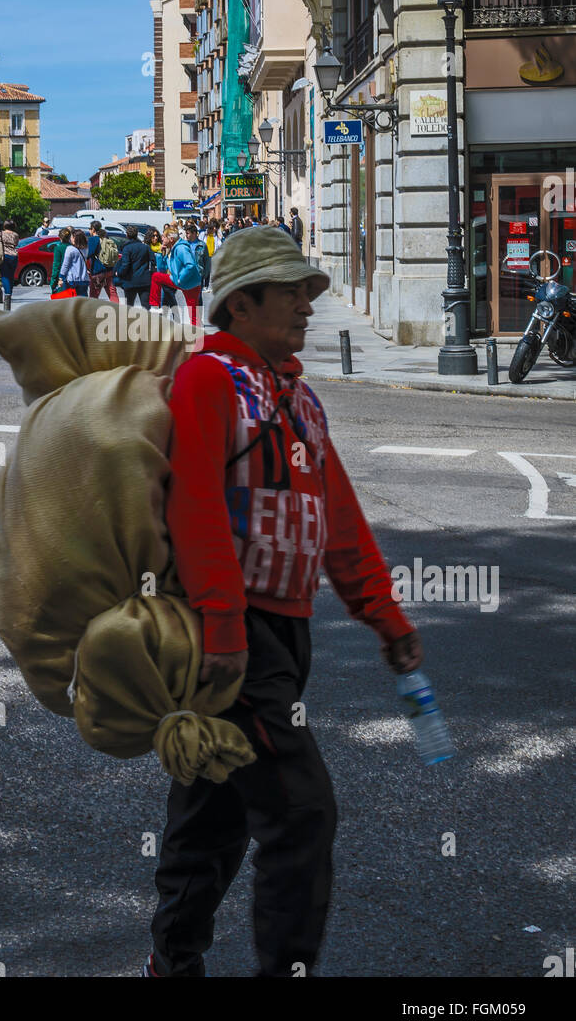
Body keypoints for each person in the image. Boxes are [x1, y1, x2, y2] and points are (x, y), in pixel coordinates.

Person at [143, 226, 422, 979]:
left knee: (215, 809)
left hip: (282, 635)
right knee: (301, 811)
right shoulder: (206, 379)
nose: (305, 303)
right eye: (289, 290)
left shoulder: (300, 398)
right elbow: (193, 506)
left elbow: (338, 520)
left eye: (307, 291)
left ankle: (171, 963)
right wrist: (224, 629)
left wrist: (384, 619)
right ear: (240, 303)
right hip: (232, 634)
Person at [149, 226, 203, 327]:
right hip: (180, 281)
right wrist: (161, 254)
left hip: (190, 284)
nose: (162, 239)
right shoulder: (171, 248)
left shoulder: (181, 248)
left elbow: (190, 265)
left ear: (171, 239)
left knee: (193, 315)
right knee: (156, 276)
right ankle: (155, 306)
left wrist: (180, 279)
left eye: (164, 237)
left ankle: (198, 338)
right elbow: (162, 269)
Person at [113, 223, 155, 307]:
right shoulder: (145, 247)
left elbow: (125, 265)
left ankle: (130, 320)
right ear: (136, 234)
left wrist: (119, 273)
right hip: (144, 280)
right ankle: (148, 320)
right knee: (146, 305)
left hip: (130, 280)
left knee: (129, 305)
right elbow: (153, 261)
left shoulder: (127, 248)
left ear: (127, 235)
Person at [87, 220, 118, 301]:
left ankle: (92, 311)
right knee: (112, 292)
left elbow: (89, 254)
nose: (89, 230)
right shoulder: (105, 238)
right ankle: (117, 310)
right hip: (109, 269)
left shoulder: (93, 239)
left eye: (89, 228)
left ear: (93, 229)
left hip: (98, 271)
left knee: (94, 294)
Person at [56, 228, 90, 296]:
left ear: (75, 238)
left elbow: (65, 265)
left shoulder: (70, 249)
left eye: (71, 237)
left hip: (72, 280)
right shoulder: (85, 249)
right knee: (82, 302)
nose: (70, 239)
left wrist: (61, 277)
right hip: (84, 279)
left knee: (69, 302)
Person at [0, 220, 19, 310]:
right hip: (14, 256)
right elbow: (16, 244)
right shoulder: (15, 235)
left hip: (4, 256)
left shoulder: (0, 234)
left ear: (4, 226)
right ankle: (10, 293)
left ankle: (7, 295)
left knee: (4, 276)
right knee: (11, 276)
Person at [184, 221, 210, 290]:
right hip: (187, 274)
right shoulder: (184, 245)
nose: (186, 235)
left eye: (188, 233)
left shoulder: (202, 245)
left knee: (198, 297)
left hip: (198, 274)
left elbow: (207, 262)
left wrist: (205, 276)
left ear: (194, 233)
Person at [50, 227, 73, 294]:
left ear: (60, 237)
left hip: (61, 279)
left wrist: (53, 282)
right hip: (72, 278)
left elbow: (56, 266)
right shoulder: (73, 247)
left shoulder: (58, 248)